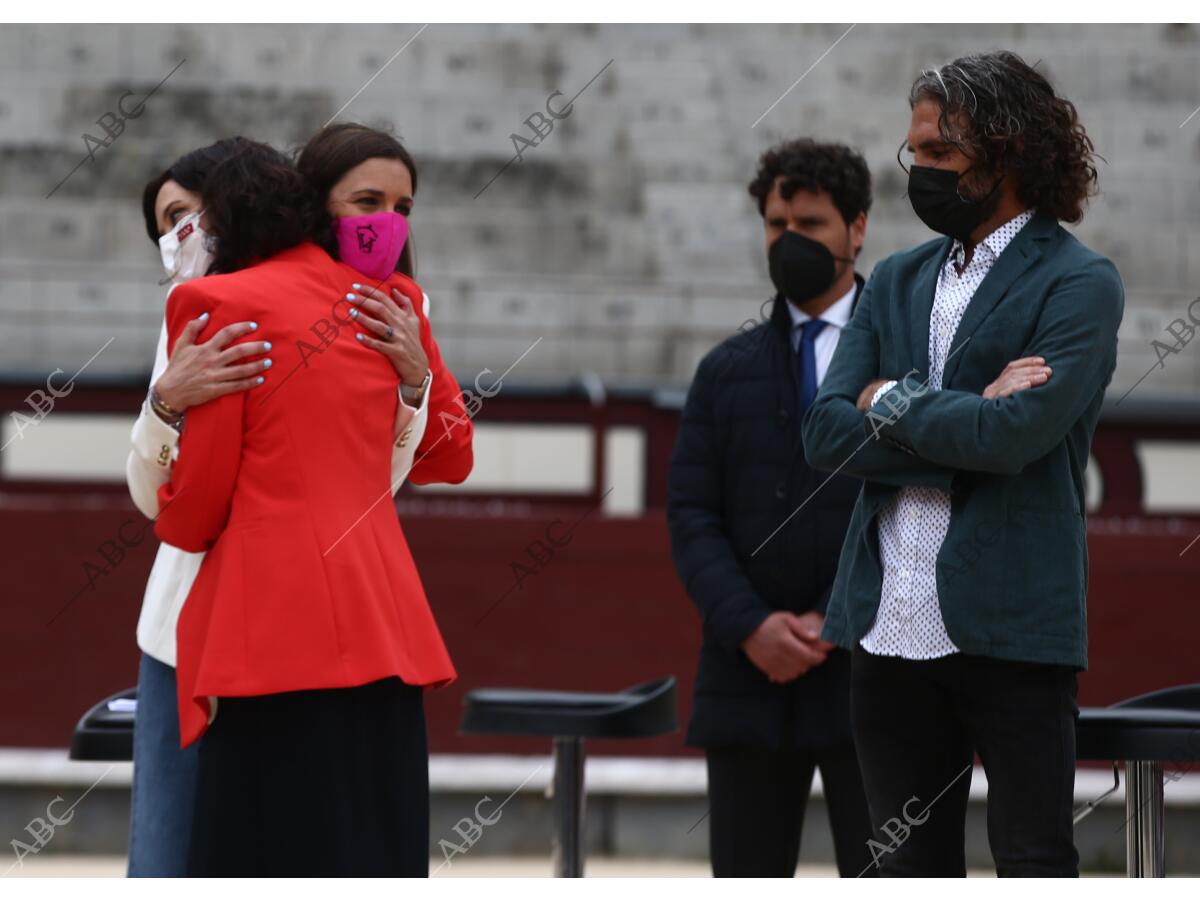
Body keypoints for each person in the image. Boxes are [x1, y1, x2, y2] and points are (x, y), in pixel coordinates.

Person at [802, 51, 1124, 876]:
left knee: (1032, 862)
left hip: (1012, 628)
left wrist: (890, 401)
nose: (921, 171)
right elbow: (826, 435)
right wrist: (967, 410)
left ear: (1008, 152)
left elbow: (1015, 437)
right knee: (906, 871)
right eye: (917, 154)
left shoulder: (1080, 282)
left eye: (940, 154)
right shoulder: (897, 279)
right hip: (886, 623)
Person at [125, 135, 469, 875]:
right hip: (311, 624)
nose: (386, 225)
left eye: (401, 207)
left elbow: (181, 507)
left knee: (216, 856)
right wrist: (165, 402)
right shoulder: (213, 302)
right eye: (367, 203)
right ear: (313, 206)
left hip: (256, 626)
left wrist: (414, 382)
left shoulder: (388, 304)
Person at [667, 139, 875, 877]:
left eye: (811, 224)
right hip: (746, 674)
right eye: (777, 224)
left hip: (872, 675)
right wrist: (749, 625)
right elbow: (691, 514)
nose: (791, 241)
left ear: (857, 229)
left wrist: (834, 617)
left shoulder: (905, 358)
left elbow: (916, 508)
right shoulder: (726, 370)